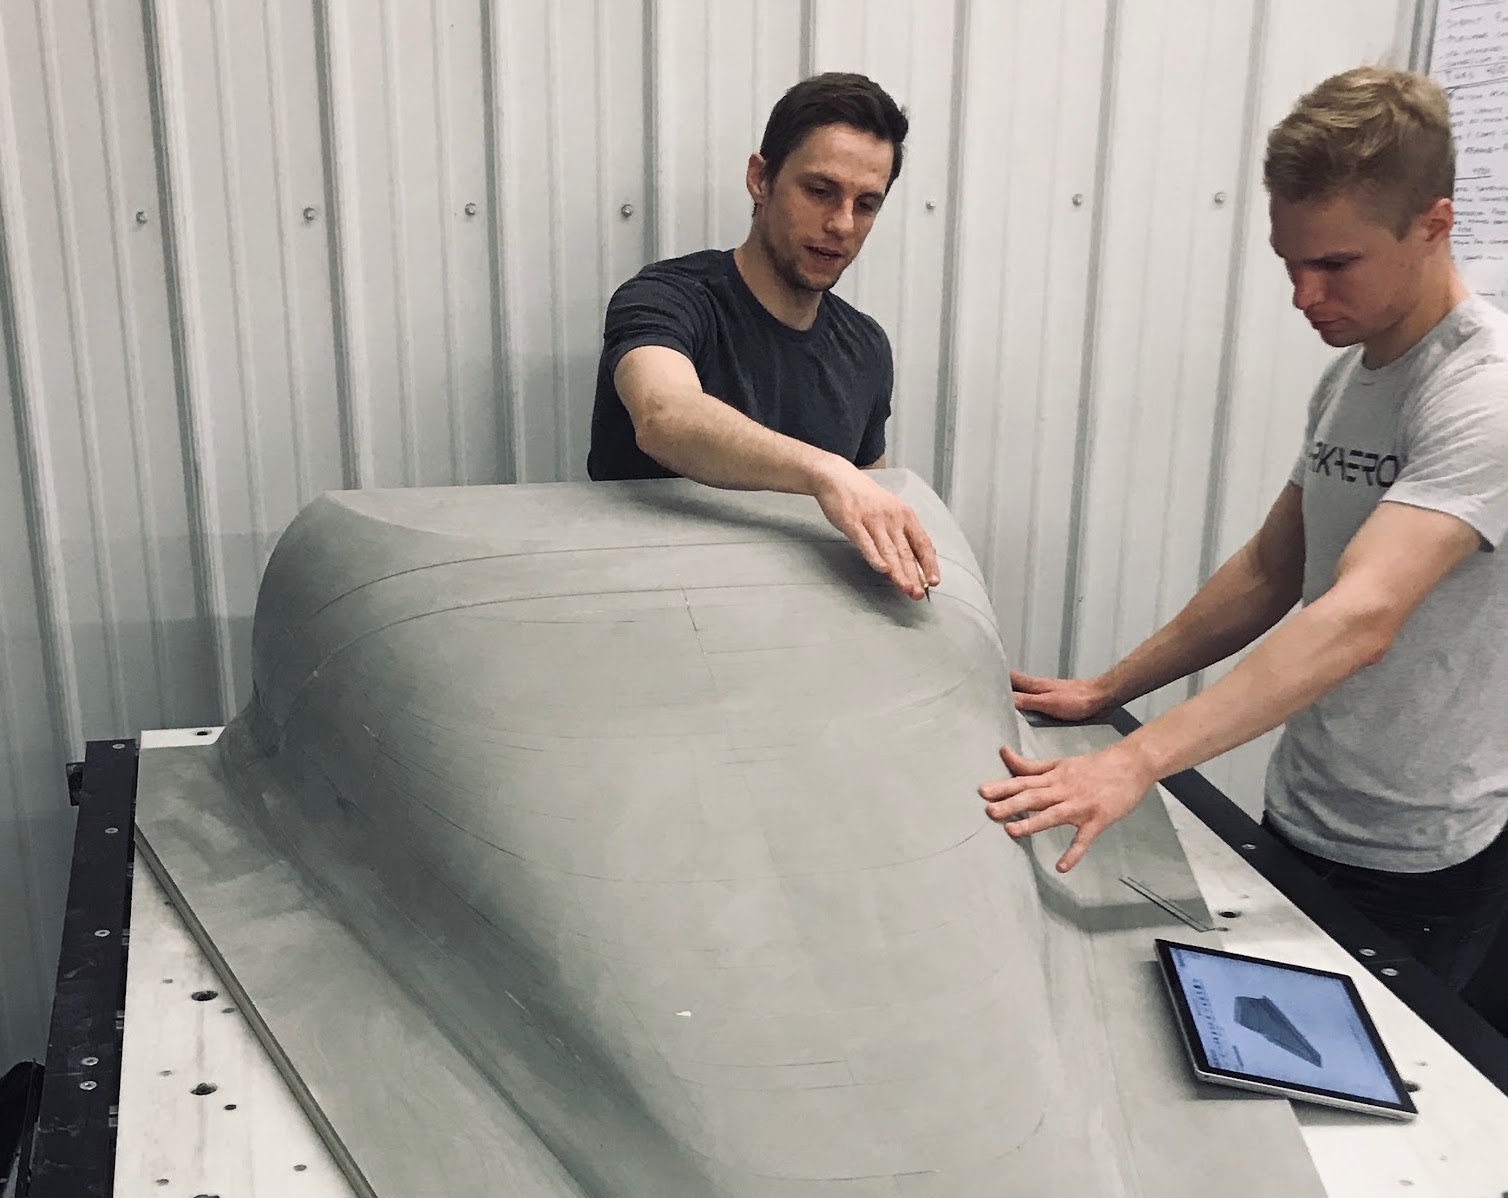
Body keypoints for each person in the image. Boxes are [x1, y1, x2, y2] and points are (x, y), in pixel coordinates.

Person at [980, 65, 1508, 992]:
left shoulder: (1482, 394)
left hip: (1421, 861)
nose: (1304, 295)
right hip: (1304, 812)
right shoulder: (1350, 375)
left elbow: (1360, 615)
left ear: (1433, 224)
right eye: (1289, 263)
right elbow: (1273, 567)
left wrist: (1137, 761)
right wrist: (1109, 690)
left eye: (1334, 264)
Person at [587, 72, 939, 601]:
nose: (842, 224)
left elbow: (870, 515)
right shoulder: (669, 297)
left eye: (866, 204)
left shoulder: (866, 347)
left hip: (795, 627)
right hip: (652, 616)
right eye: (820, 191)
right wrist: (824, 471)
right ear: (760, 179)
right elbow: (665, 416)